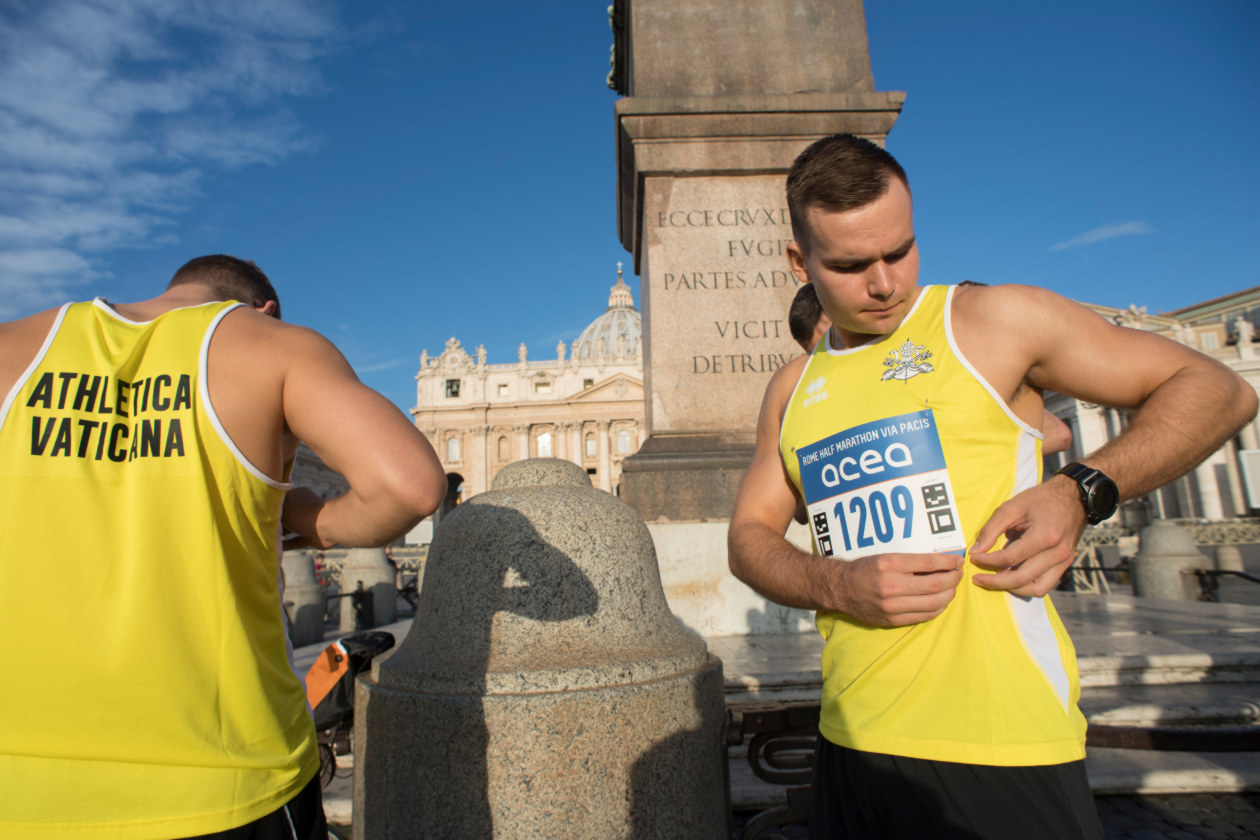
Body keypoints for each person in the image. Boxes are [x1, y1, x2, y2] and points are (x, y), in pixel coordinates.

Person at [728, 135, 1257, 839]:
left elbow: (1216, 389)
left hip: (1004, 741)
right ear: (800, 262)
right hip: (852, 739)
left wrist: (1079, 490)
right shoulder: (793, 389)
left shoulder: (992, 321)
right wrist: (834, 585)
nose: (885, 283)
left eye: (901, 250)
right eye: (852, 265)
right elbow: (749, 537)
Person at [0, 255, 446, 839]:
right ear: (265, 311)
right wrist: (317, 521)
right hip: (231, 779)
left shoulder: (15, 345)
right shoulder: (273, 345)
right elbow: (409, 487)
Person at [789, 280, 1074, 455]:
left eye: (835, 341)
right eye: (820, 354)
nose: (837, 357)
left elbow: (1056, 433)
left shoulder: (926, 356)